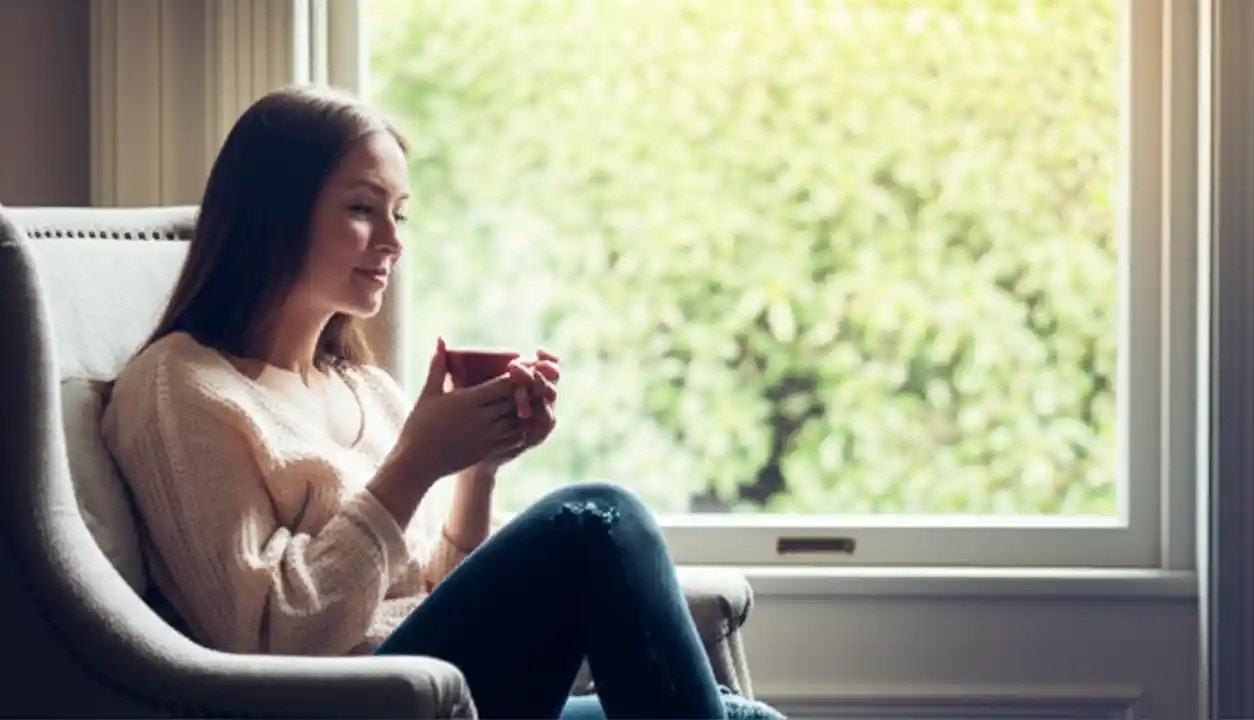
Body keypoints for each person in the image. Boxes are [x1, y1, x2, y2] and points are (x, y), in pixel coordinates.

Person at [101, 85, 784, 720]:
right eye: (363, 209)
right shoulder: (179, 387)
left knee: (746, 718)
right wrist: (416, 463)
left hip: (447, 693)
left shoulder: (363, 386)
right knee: (597, 520)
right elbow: (263, 640)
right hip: (359, 706)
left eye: (399, 214)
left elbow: (437, 596)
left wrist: (476, 468)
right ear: (275, 213)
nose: (394, 242)